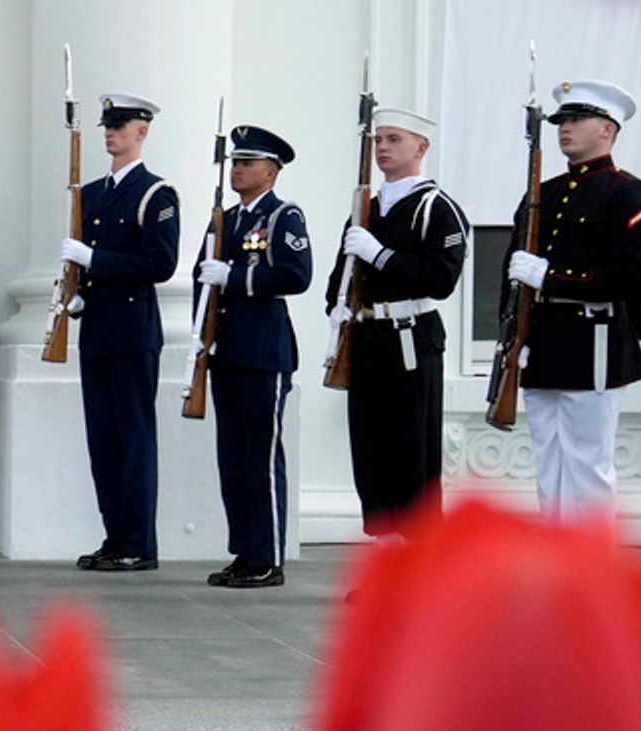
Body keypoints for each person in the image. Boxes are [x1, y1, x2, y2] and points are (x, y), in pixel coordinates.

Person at [504, 80, 641, 523]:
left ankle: (590, 576)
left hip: (593, 340)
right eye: (561, 121)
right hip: (542, 341)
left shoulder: (629, 194)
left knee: (587, 468)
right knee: (550, 466)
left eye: (576, 120)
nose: (564, 128)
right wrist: (512, 336)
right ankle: (555, 571)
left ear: (608, 129)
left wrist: (550, 276)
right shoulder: (541, 193)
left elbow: (632, 275)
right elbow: (513, 271)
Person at [326, 108, 467, 538]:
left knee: (411, 453)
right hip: (367, 338)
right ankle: (386, 567)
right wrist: (337, 308)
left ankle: (418, 569)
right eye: (378, 140)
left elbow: (440, 280)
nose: (382, 148)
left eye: (393, 140)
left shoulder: (437, 209)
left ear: (421, 148)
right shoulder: (365, 208)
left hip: (411, 340)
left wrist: (381, 255)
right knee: (370, 454)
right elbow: (339, 280)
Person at [63, 94, 180, 572]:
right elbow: (83, 266)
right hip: (98, 330)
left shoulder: (156, 194)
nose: (109, 132)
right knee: (102, 440)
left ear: (142, 131)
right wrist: (78, 293)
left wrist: (96, 261)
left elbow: (160, 263)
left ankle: (138, 542)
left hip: (133, 332)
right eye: (106, 125)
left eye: (119, 124)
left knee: (133, 438)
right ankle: (114, 536)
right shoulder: (89, 193)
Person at [195, 125, 310, 589]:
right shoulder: (224, 219)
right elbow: (203, 280)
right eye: (235, 162)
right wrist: (200, 340)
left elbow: (296, 274)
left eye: (249, 162)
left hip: (263, 352)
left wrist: (236, 277)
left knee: (261, 457)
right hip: (226, 351)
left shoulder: (284, 216)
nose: (238, 169)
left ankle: (268, 556)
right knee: (234, 459)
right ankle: (244, 551)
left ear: (272, 171)